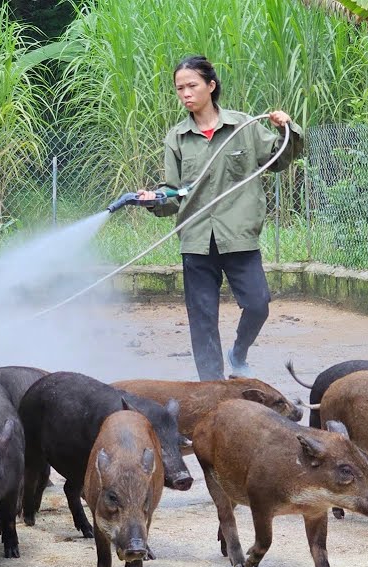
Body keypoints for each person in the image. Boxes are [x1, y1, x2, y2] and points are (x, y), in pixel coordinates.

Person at [138, 55, 303, 381]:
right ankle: (211, 387)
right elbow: (174, 193)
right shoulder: (176, 138)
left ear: (211, 86)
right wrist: (154, 199)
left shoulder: (244, 126)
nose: (185, 93)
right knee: (202, 319)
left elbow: (280, 159)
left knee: (257, 304)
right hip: (196, 239)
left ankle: (238, 353)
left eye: (192, 85)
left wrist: (287, 127)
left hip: (238, 235)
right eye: (179, 88)